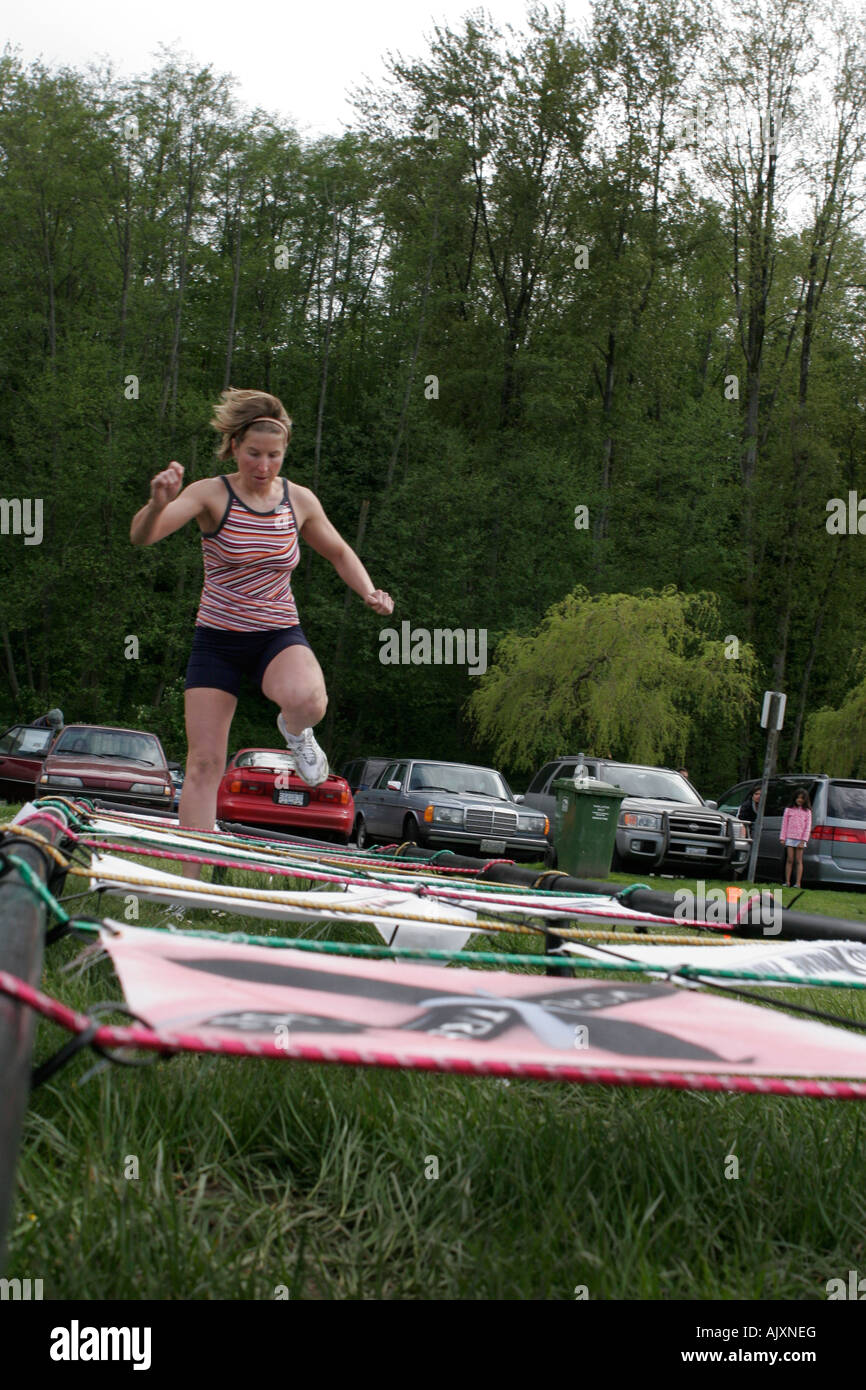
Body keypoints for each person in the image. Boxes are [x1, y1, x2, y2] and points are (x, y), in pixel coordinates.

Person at [130, 388, 394, 881]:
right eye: (254, 453)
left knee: (309, 701)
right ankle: (190, 885)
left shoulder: (299, 500)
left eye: (274, 455)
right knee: (205, 762)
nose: (264, 465)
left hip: (276, 633)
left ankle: (295, 733)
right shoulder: (210, 494)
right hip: (217, 640)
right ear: (233, 447)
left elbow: (337, 551)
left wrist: (369, 591)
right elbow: (144, 536)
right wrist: (156, 502)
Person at [780, 787, 812, 888]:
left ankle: (798, 883)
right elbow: (784, 824)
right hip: (790, 837)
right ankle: (787, 882)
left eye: (802, 798)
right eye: (798, 797)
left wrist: (804, 840)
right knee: (789, 859)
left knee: (798, 860)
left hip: (800, 839)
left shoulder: (807, 812)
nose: (799, 800)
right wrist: (783, 838)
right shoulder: (788, 810)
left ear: (805, 799)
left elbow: (808, 827)